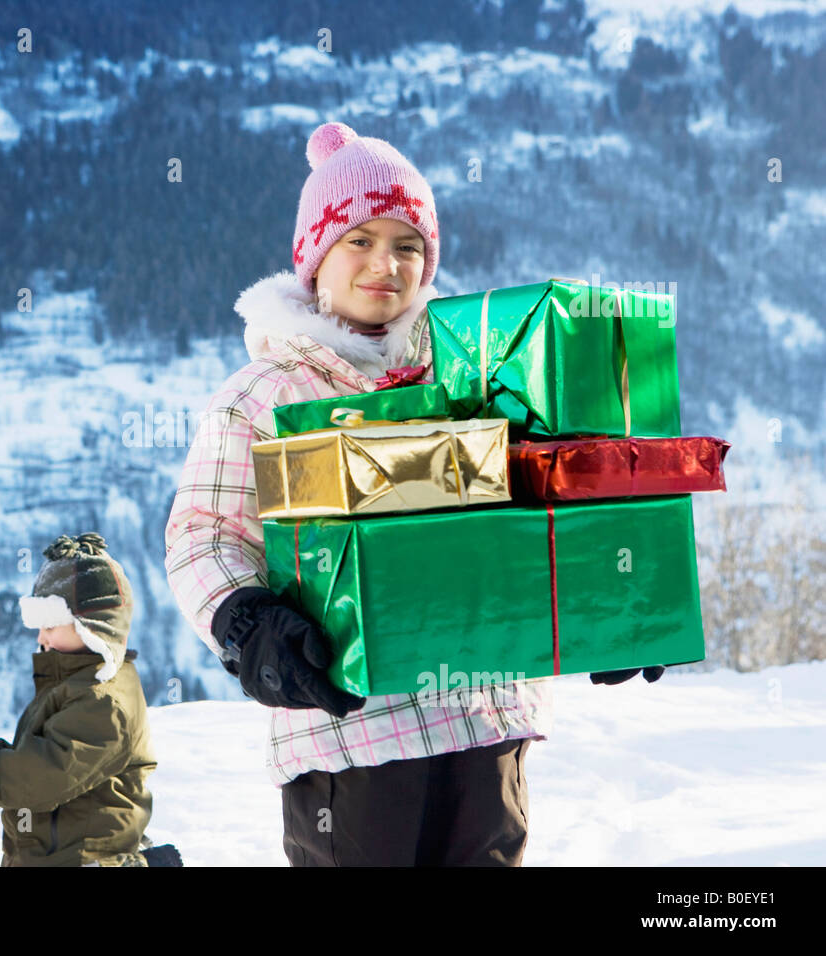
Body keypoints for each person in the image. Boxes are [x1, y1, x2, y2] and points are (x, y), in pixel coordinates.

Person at [164, 121, 571, 866]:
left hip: (483, 720)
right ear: (315, 258)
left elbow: (529, 511)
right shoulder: (267, 395)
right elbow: (204, 534)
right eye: (359, 239)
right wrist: (247, 622)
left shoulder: (475, 383)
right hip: (351, 734)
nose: (386, 263)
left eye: (408, 245)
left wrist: (588, 600)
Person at [0, 533, 176, 867]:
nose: (41, 637)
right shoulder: (74, 683)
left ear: (91, 628)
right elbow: (28, 756)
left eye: (50, 625)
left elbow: (36, 779)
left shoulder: (103, 700)